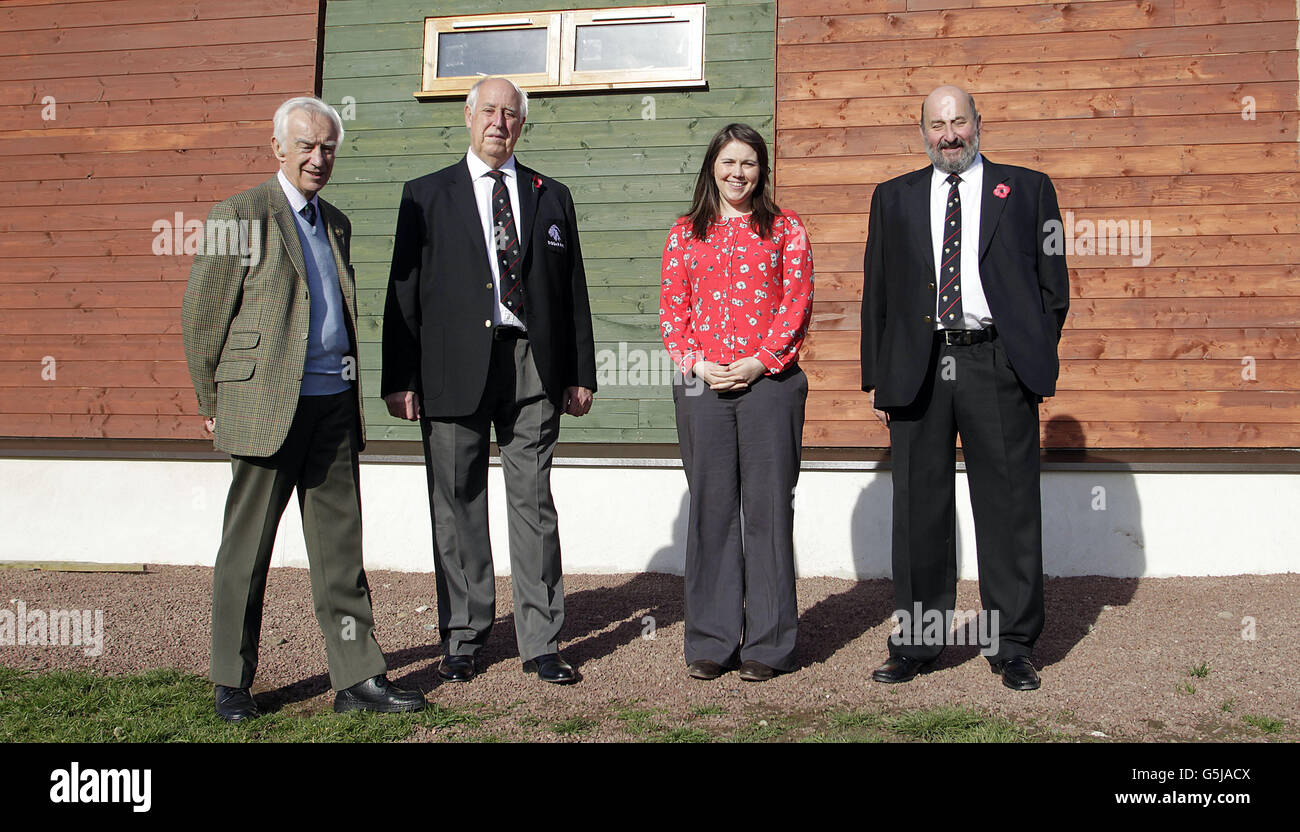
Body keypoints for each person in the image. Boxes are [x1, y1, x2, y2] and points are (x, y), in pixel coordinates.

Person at [182, 96, 426, 720]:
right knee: (248, 551)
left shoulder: (336, 221)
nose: (318, 158)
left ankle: (357, 679)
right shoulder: (242, 215)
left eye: (327, 148)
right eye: (307, 146)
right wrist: (210, 398)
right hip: (264, 408)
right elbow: (204, 316)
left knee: (341, 555)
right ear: (279, 148)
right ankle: (231, 683)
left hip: (333, 408)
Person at [381, 77, 597, 685]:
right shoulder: (424, 196)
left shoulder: (552, 195)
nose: (499, 121)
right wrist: (399, 378)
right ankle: (465, 635)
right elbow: (402, 292)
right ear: (468, 117)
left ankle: (541, 640)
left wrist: (581, 371)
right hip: (452, 369)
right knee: (457, 503)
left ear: (521, 125)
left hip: (534, 364)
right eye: (489, 111)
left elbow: (572, 288)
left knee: (533, 503)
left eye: (510, 113)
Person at [859, 85, 1070, 690]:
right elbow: (878, 291)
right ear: (921, 130)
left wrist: (1027, 352)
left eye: (959, 121)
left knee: (1007, 509)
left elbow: (1053, 289)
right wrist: (879, 378)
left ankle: (1013, 646)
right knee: (918, 511)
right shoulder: (892, 197)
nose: (949, 134)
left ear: (980, 122)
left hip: (995, 365)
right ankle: (918, 643)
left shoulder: (1028, 189)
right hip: (919, 369)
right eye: (937, 124)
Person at [660, 123, 814, 682]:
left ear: (762, 169)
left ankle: (769, 645)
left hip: (768, 385)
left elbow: (796, 304)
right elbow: (672, 311)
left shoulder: (786, 230)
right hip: (703, 386)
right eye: (728, 163)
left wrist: (758, 362)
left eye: (748, 163)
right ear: (712, 168)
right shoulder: (685, 234)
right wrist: (698, 363)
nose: (737, 174)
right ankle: (711, 640)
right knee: (712, 512)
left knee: (768, 513)